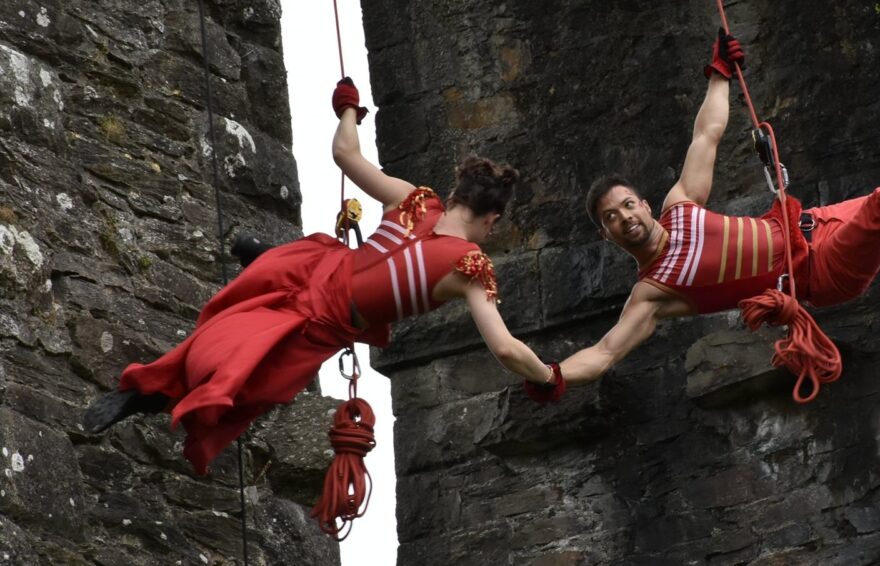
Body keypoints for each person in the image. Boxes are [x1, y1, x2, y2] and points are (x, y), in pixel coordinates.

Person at [83, 78, 562, 474]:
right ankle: (151, 398)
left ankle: (264, 264)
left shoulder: (415, 200)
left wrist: (349, 110)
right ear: (492, 219)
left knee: (225, 332)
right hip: (321, 318)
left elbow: (344, 154)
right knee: (244, 386)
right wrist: (545, 377)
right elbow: (503, 347)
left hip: (316, 271)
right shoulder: (471, 266)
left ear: (456, 195)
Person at [557, 30, 880, 386]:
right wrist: (549, 376)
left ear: (643, 202)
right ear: (607, 236)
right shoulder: (652, 292)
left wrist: (719, 73)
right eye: (611, 219)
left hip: (814, 223)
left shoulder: (679, 206)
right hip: (820, 273)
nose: (625, 218)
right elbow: (604, 353)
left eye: (627, 204)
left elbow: (708, 133)